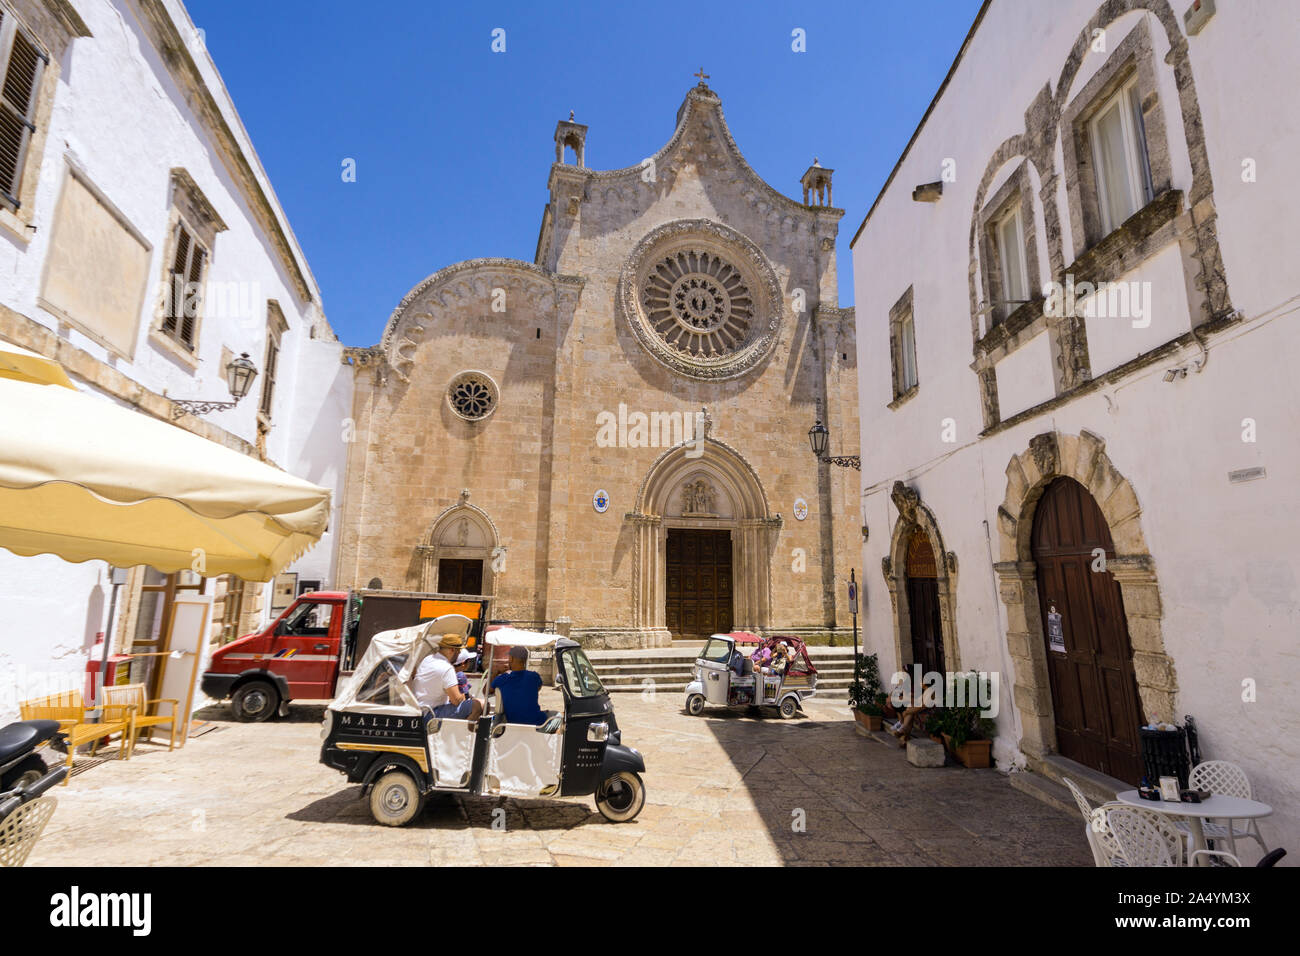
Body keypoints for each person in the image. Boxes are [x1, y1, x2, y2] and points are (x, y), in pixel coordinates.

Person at [411, 633, 483, 723]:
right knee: (480, 705)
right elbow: (456, 701)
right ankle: (465, 734)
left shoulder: (428, 659)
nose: (459, 655)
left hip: (419, 711)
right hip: (431, 714)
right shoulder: (446, 668)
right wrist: (463, 696)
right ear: (452, 650)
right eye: (458, 652)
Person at [490, 645, 546, 725]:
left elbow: (486, 691)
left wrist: (496, 673)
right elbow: (538, 688)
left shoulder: (502, 679)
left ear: (511, 659)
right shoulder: (534, 676)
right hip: (536, 723)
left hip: (513, 723)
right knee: (557, 716)